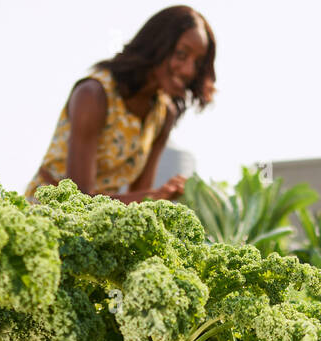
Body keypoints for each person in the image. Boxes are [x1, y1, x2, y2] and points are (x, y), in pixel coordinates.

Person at [24, 6, 215, 205]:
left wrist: (159, 197)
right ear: (158, 45)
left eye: (198, 63)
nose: (189, 70)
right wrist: (156, 196)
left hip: (100, 221)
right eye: (182, 54)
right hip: (48, 212)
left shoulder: (163, 115)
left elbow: (138, 203)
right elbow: (77, 199)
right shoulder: (94, 94)